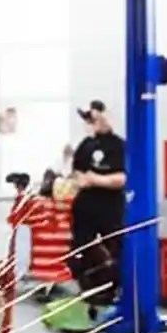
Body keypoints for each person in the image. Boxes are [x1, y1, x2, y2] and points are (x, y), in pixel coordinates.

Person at [66, 100, 126, 308]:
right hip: (84, 210)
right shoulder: (85, 145)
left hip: (109, 210)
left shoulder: (119, 146)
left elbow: (122, 178)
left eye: (96, 118)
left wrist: (95, 180)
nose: (93, 123)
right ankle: (88, 294)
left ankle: (111, 294)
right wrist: (77, 180)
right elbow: (77, 172)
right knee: (80, 251)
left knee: (113, 252)